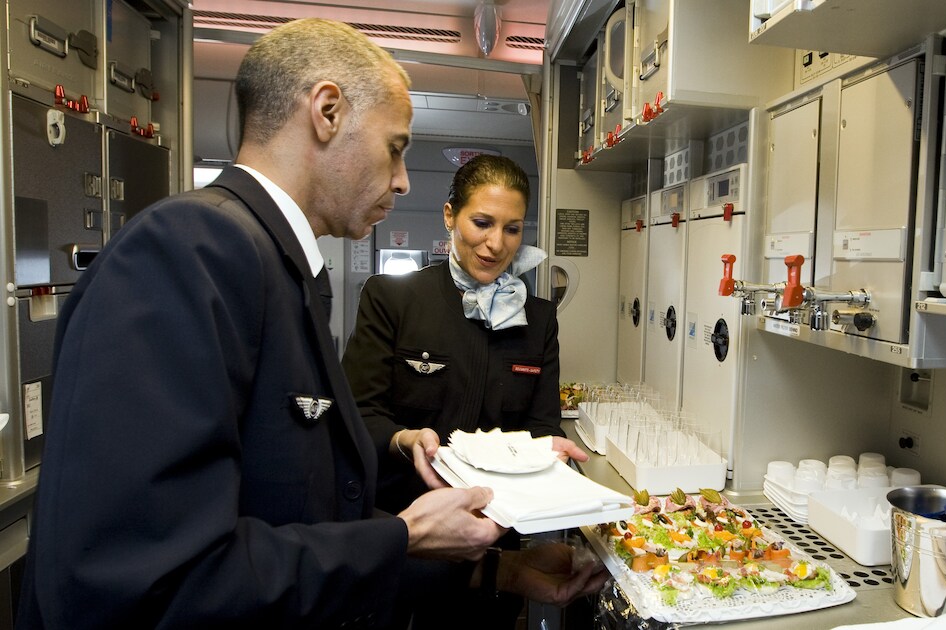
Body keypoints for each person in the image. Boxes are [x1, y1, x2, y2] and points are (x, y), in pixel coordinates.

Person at [17, 19, 605, 629]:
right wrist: (402, 535)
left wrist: (500, 571)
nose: (402, 179)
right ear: (327, 112)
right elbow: (151, 578)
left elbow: (297, 516)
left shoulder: (279, 268)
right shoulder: (190, 249)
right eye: (395, 147)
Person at [341, 155, 592, 628]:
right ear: (449, 216)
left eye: (512, 229)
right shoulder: (393, 299)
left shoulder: (538, 320)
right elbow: (357, 418)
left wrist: (548, 454)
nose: (496, 243)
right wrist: (405, 440)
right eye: (482, 223)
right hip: (399, 535)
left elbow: (542, 426)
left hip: (491, 544)